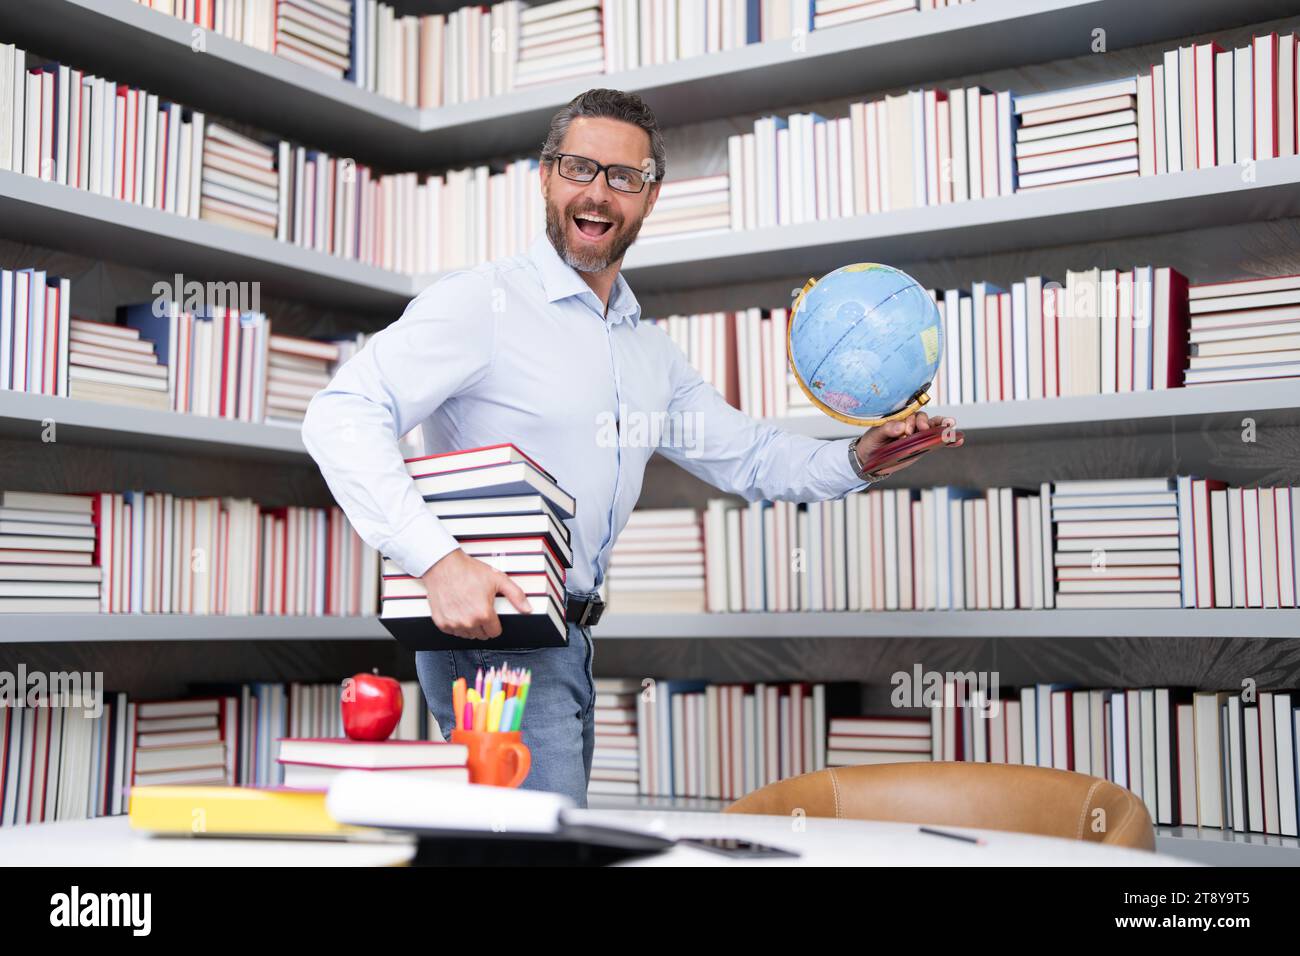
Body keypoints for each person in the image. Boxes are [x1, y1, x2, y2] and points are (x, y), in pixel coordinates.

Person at [301, 87, 960, 808]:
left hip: (571, 641)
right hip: (494, 646)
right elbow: (342, 412)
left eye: (624, 177)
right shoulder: (481, 304)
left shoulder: (647, 350)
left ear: (649, 198)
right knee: (539, 859)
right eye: (580, 168)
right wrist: (435, 560)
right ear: (546, 176)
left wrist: (860, 457)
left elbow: (752, 455)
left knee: (534, 853)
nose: (599, 193)